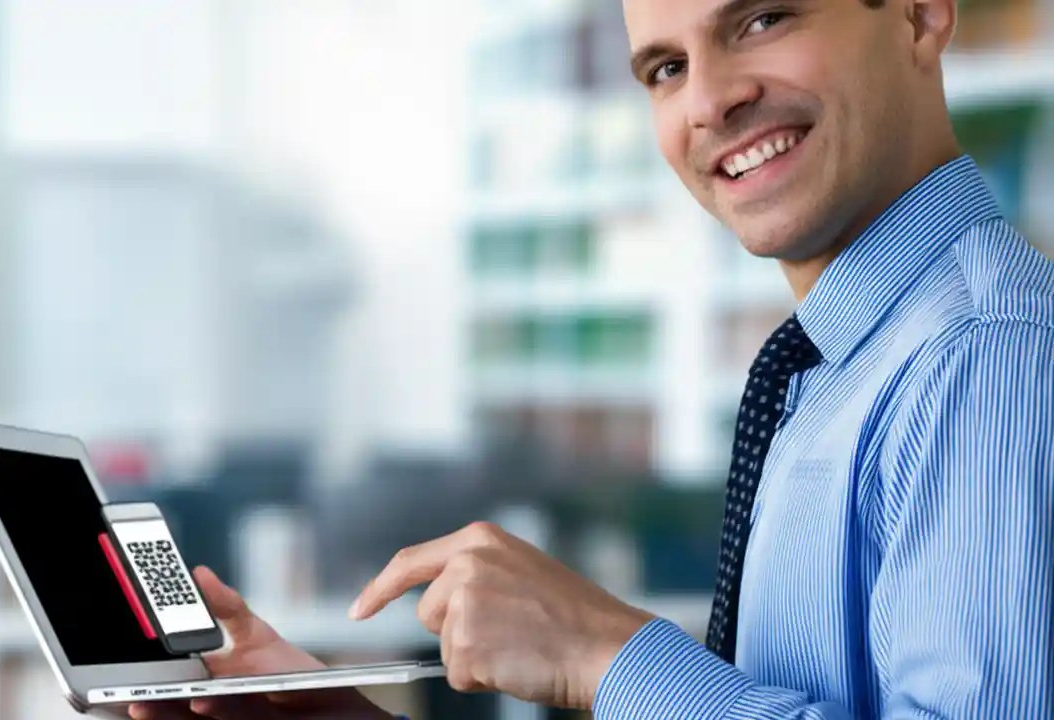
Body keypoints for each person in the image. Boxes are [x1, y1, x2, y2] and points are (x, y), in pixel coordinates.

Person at [131, 0, 1054, 715]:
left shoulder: (988, 356)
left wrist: (602, 653)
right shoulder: (836, 369)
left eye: (763, 20)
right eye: (666, 68)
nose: (709, 101)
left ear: (920, 14)